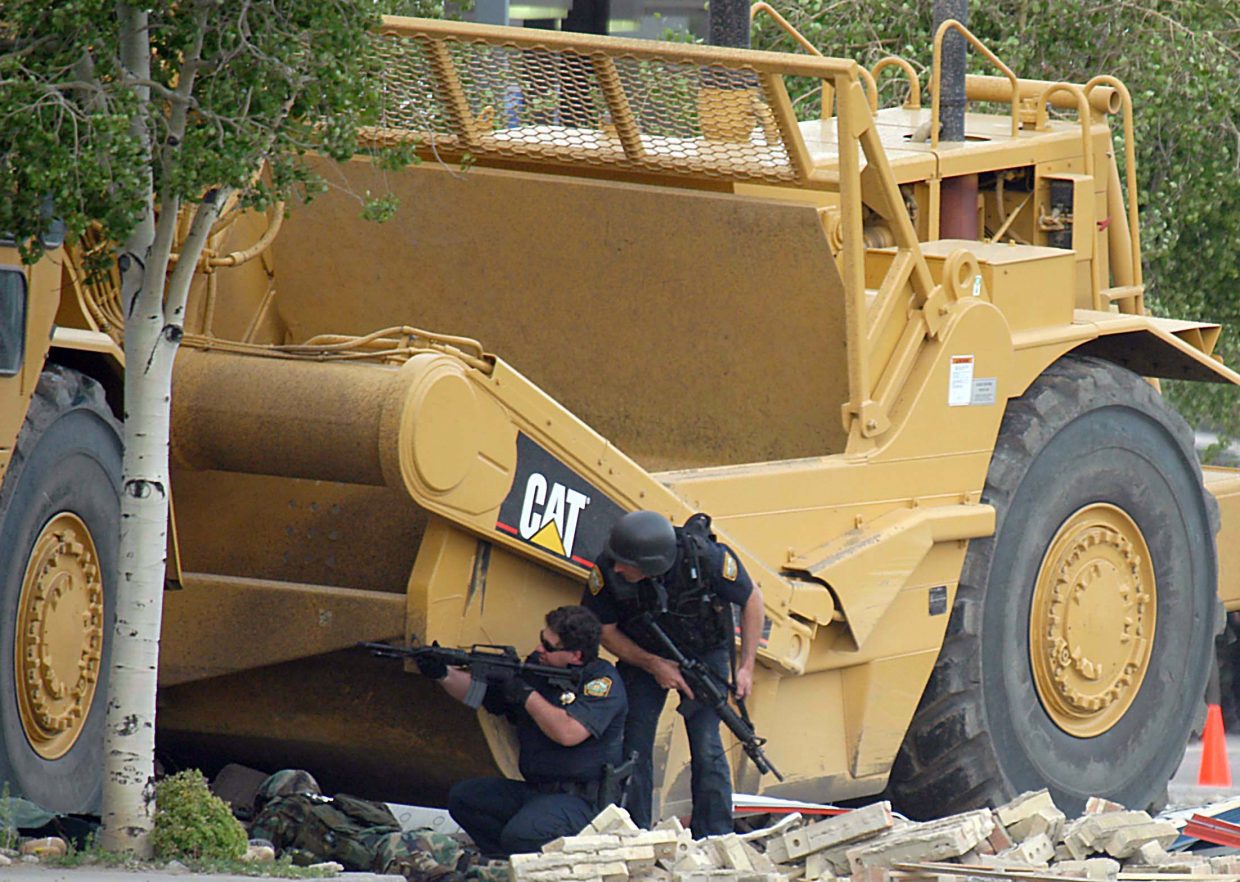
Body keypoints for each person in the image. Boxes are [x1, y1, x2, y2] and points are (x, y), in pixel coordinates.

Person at [581, 510, 764, 838]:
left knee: (708, 745)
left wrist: (746, 667)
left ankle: (716, 836)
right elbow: (605, 631)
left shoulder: (706, 558)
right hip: (643, 653)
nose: (617, 568)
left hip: (703, 651)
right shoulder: (611, 565)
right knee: (633, 744)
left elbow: (751, 599)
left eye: (626, 565)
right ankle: (632, 833)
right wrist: (653, 664)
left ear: (651, 565)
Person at [417, 605, 627, 857]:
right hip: (537, 790)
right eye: (542, 640)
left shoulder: (601, 682)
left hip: (583, 801)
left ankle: (534, 859)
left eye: (549, 647)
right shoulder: (538, 668)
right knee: (465, 798)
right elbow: (480, 694)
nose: (539, 649)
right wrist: (443, 674)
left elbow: (568, 732)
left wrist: (526, 694)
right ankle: (507, 862)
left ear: (576, 656)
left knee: (523, 835)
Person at [246, 769, 505, 882]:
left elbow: (257, 849)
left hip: (393, 856)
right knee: (485, 869)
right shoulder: (339, 805)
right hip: (417, 840)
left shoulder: (284, 810)